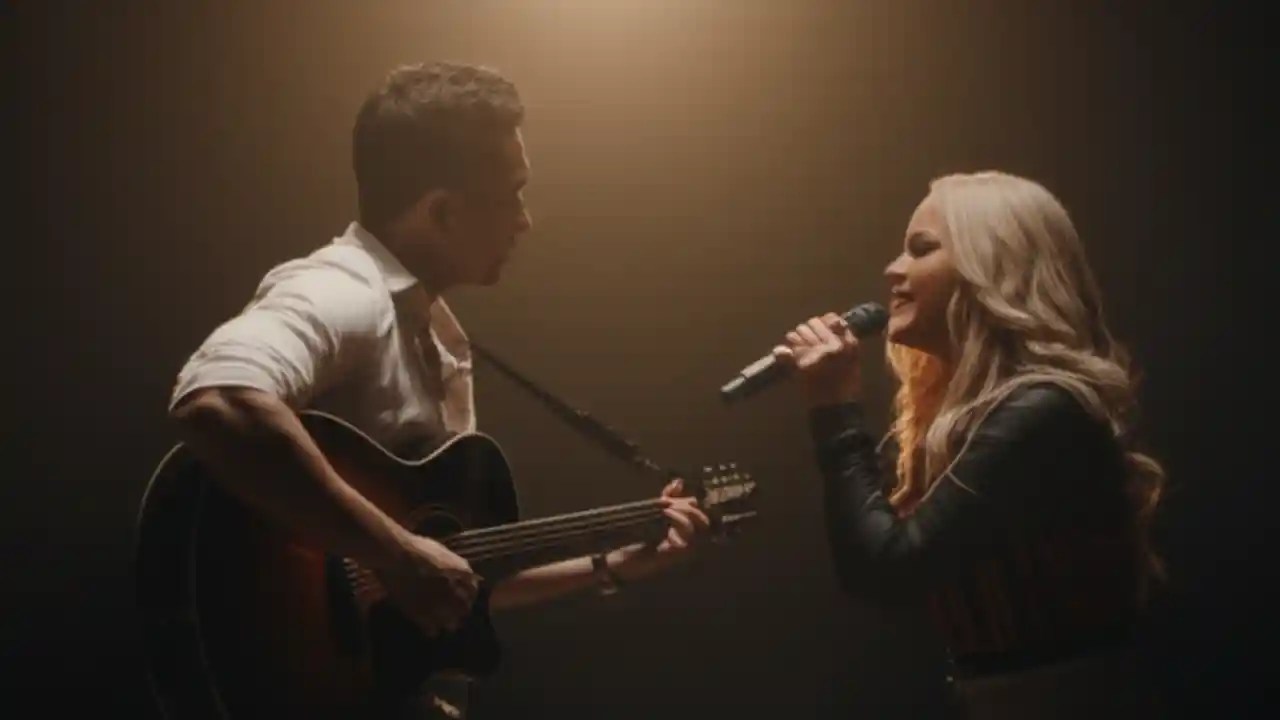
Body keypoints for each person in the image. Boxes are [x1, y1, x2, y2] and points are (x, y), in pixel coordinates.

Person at [166, 60, 711, 718]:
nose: (525, 220)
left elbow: (444, 577)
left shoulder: (437, 335)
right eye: (511, 194)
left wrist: (616, 562)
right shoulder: (342, 292)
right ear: (442, 211)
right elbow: (217, 400)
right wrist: (398, 553)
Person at [771, 170, 1168, 718]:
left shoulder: (1045, 410)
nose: (893, 269)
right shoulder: (998, 414)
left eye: (921, 249)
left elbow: (885, 570)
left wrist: (835, 408)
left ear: (992, 268)